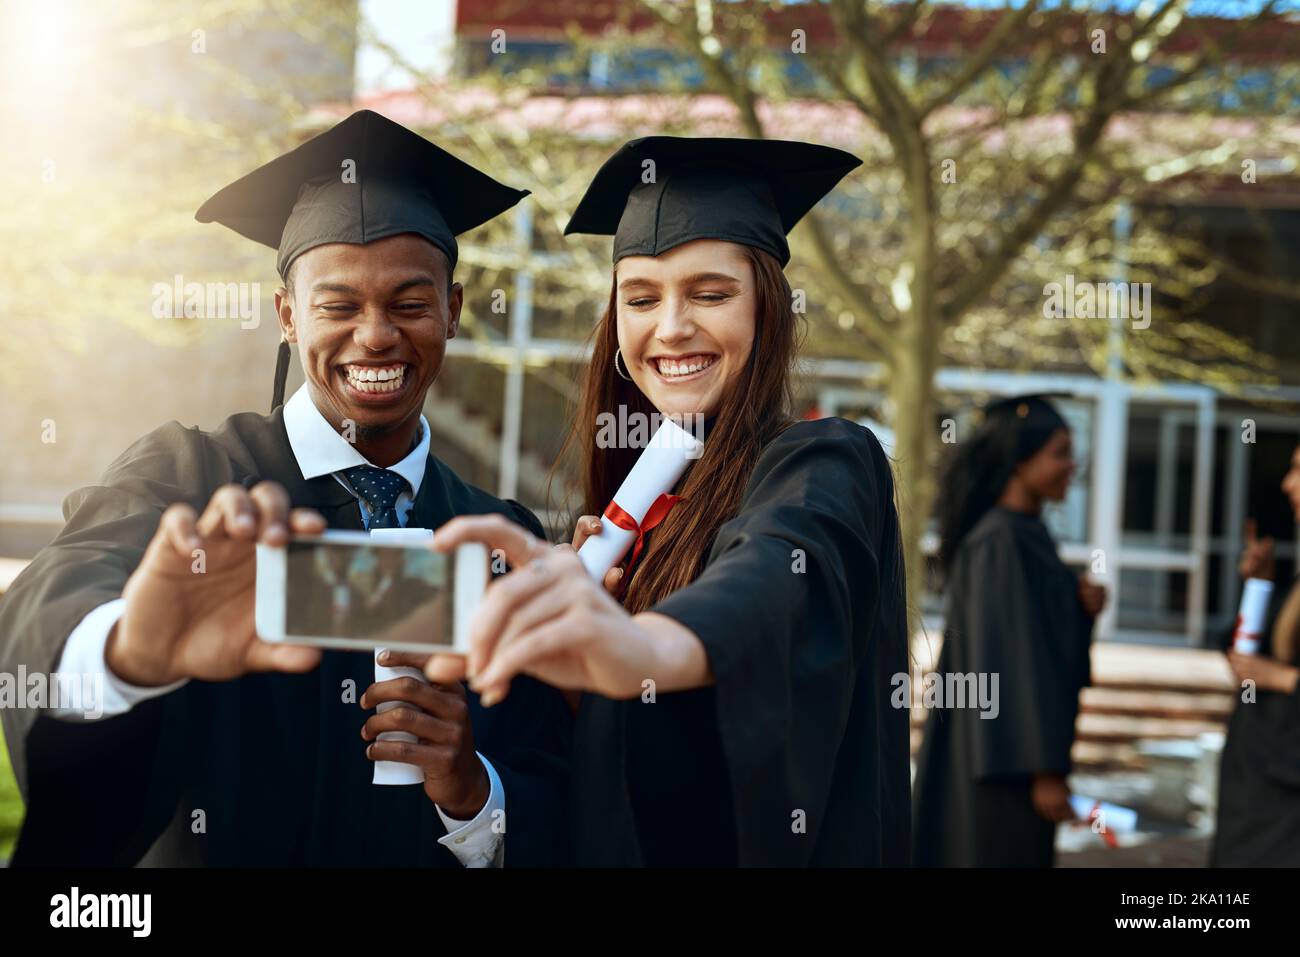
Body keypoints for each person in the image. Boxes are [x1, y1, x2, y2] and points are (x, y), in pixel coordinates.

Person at [0, 110, 570, 867]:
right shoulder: (192, 480)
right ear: (288, 316)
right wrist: (133, 646)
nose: (375, 335)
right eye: (338, 306)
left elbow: (563, 800)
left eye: (408, 303)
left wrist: (475, 791)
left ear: (453, 311)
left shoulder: (496, 536)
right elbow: (52, 599)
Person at [425, 136, 912, 866]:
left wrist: (647, 646)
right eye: (642, 298)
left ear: (769, 311)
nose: (672, 325)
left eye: (711, 293)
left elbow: (777, 574)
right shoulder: (646, 509)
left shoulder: (823, 459)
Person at [912, 394, 1103, 867]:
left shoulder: (1021, 533)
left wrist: (1080, 608)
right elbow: (1011, 663)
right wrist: (1044, 769)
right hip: (1001, 770)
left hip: (1000, 760)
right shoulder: (1001, 540)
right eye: (1059, 452)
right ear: (1020, 460)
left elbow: (1037, 638)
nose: (1070, 466)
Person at [1211, 448, 1300, 866]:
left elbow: (1273, 671)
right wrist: (1259, 588)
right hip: (1262, 779)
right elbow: (1246, 660)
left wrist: (1284, 679)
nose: (1288, 484)